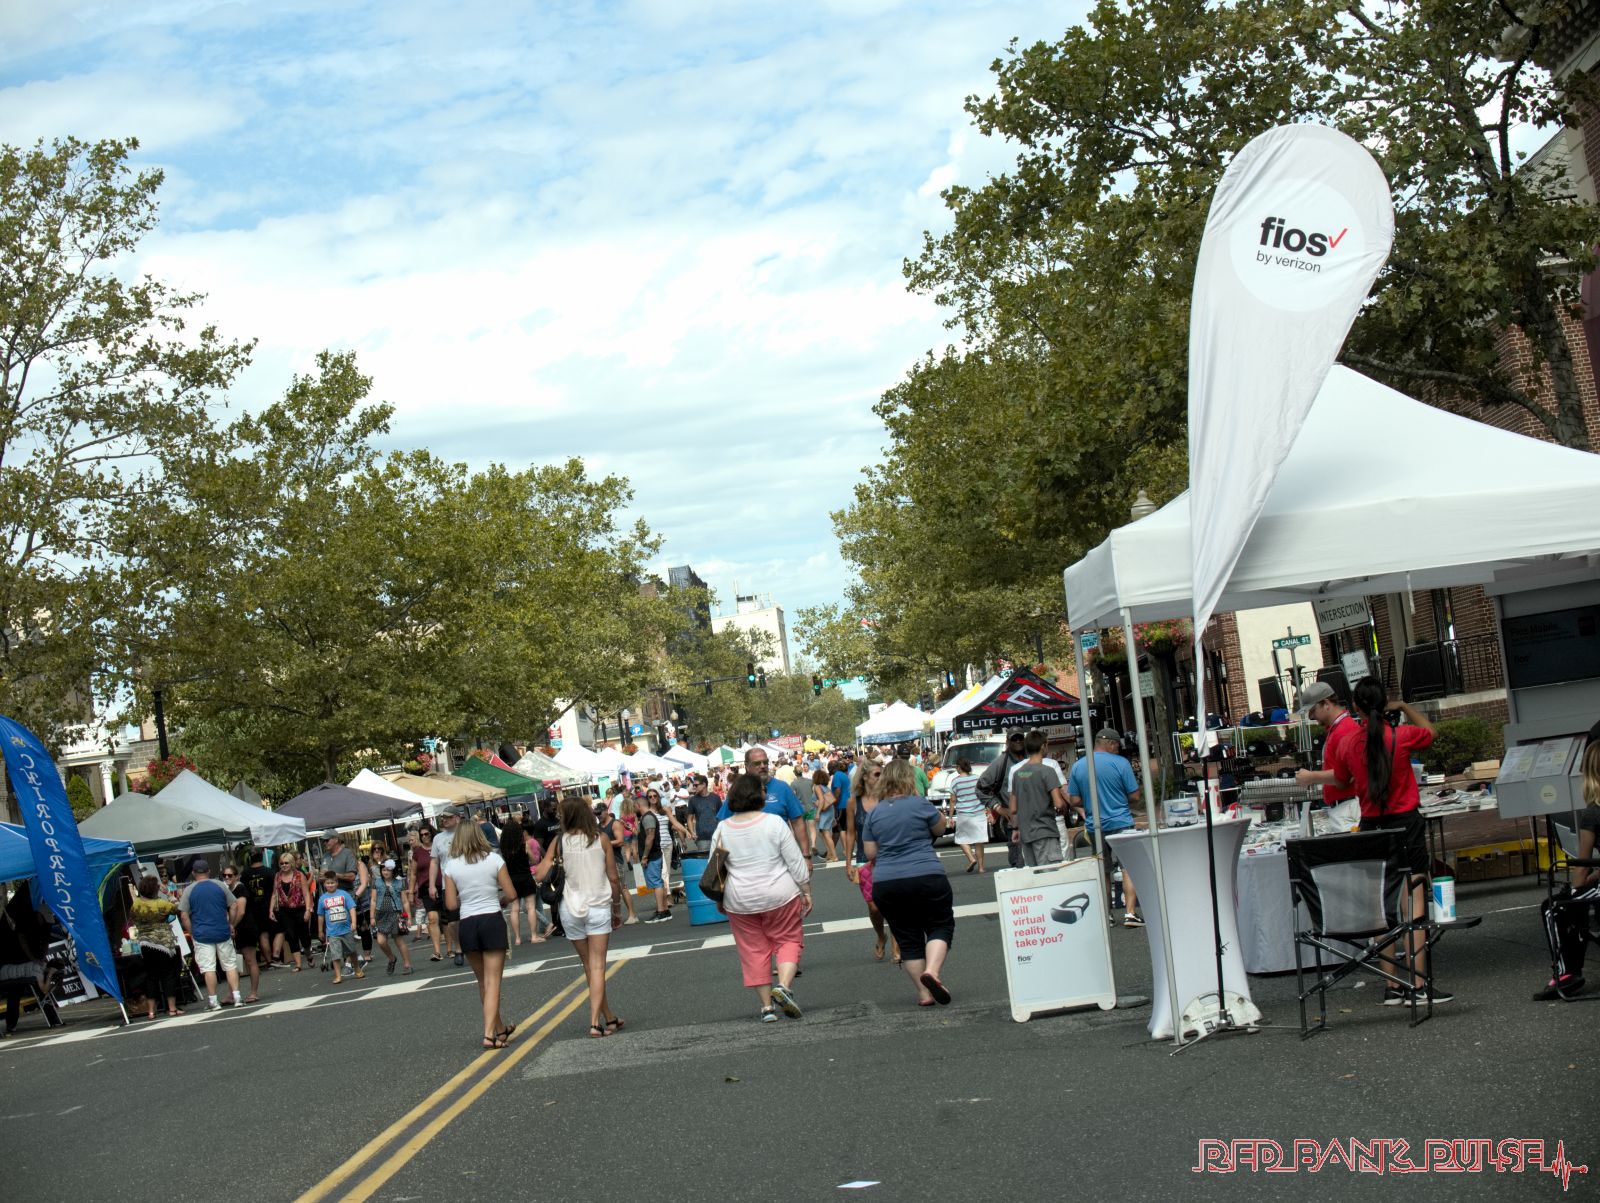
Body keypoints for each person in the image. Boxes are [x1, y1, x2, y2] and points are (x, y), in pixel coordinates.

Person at [1322, 677, 1451, 1005]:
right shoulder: (1402, 736)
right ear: (1384, 704)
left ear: (1355, 708)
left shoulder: (1349, 743)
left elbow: (1340, 778)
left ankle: (1392, 985)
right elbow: (1433, 733)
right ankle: (1419, 985)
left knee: (1382, 905)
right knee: (1415, 901)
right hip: (1405, 823)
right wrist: (1405, 706)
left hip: (1371, 826)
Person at [714, 773, 812, 1022]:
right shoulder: (774, 823)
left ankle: (767, 1007)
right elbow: (794, 861)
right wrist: (806, 889)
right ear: (759, 795)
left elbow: (715, 869)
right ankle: (785, 986)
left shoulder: (723, 828)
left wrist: (720, 898)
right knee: (788, 940)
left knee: (753, 951)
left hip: (740, 900)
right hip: (780, 893)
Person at [862, 758, 954, 1006]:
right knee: (939, 925)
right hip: (926, 874)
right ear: (908, 779)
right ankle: (932, 972)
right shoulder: (920, 804)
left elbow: (870, 853)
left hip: (888, 882)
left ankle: (924, 994)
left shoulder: (874, 813)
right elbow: (940, 829)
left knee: (907, 937)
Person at [534, 797, 624, 1038]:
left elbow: (541, 873)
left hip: (570, 908)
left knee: (589, 966)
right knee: (597, 966)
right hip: (597, 905)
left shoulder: (559, 841)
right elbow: (613, 878)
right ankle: (595, 1022)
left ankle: (609, 1017)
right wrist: (617, 909)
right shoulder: (601, 839)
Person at [1535, 722, 1600, 999]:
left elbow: (1582, 866)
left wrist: (1577, 888)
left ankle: (1568, 972)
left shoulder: (1592, 814)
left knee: (1556, 906)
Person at [442, 819, 516, 1049]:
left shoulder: (451, 867)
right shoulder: (493, 859)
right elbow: (512, 893)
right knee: (494, 981)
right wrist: (500, 900)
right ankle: (489, 1034)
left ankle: (499, 1028)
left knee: (483, 982)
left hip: (468, 923)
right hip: (491, 917)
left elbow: (451, 904)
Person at [1067, 729, 1143, 926]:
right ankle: (1130, 913)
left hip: (1096, 826)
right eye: (1117, 745)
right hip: (1122, 823)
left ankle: (1107, 915)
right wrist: (1118, 798)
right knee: (1129, 868)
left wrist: (1092, 801)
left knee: (1103, 870)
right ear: (1109, 743)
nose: (1118, 749)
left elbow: (1073, 799)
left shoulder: (1078, 766)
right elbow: (1135, 796)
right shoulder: (1121, 764)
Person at [844, 759, 898, 962]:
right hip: (864, 860)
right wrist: (848, 862)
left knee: (893, 903)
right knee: (874, 907)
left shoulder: (889, 799)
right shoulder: (853, 802)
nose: (881, 777)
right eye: (877, 774)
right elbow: (850, 833)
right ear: (865, 777)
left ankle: (896, 943)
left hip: (889, 857)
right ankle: (881, 935)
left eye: (882, 773)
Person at [177, 859, 245, 1011]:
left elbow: (184, 916)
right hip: (222, 930)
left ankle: (213, 1001)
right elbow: (233, 905)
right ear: (208, 871)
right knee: (230, 965)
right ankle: (237, 997)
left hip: (202, 934)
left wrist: (192, 931)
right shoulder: (220, 885)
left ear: (193, 873)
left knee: (208, 968)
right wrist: (231, 924)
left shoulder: (189, 890)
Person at [1293, 681, 1363, 810]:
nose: (1311, 716)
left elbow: (1350, 774)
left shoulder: (1344, 729)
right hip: (1345, 805)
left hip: (1348, 806)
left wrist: (1312, 777)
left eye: (1313, 710)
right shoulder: (1338, 728)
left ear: (1326, 704)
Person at [720, 748, 806, 847]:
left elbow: (798, 822)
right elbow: (722, 823)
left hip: (780, 856)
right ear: (747, 766)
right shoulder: (737, 790)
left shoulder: (783, 788)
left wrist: (806, 855)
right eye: (757, 763)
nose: (763, 766)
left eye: (765, 762)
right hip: (747, 857)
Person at [130, 875, 183, 1019]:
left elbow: (133, 918)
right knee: (168, 975)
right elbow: (179, 907)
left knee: (151, 976)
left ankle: (151, 1011)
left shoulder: (136, 904)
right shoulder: (161, 904)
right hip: (163, 943)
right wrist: (169, 894)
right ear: (155, 889)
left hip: (145, 943)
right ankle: (172, 1008)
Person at [977, 731, 1028, 867]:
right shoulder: (1001, 763)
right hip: (1014, 823)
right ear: (1007, 742)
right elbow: (981, 787)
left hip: (1035, 821)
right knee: (1018, 865)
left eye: (1020, 738)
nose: (1018, 741)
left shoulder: (1032, 757)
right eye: (1014, 739)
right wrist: (998, 808)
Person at [322, 836, 369, 974]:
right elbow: (323, 875)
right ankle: (357, 958)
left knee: (347, 931)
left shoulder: (351, 857)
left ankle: (350, 963)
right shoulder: (326, 857)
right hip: (331, 899)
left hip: (348, 896)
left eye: (327, 840)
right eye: (324, 841)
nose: (325, 843)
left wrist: (355, 896)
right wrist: (321, 876)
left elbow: (358, 879)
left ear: (335, 840)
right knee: (337, 931)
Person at [430, 809, 466, 965]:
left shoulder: (465, 833)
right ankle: (459, 948)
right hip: (448, 884)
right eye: (442, 818)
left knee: (471, 915)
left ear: (456, 818)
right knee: (452, 921)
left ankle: (474, 944)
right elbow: (434, 862)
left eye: (447, 817)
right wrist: (432, 885)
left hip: (467, 880)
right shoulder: (438, 838)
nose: (443, 820)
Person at [222, 866, 262, 1004]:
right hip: (237, 928)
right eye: (225, 875)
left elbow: (241, 911)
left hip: (246, 927)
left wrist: (232, 925)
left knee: (250, 960)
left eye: (230, 875)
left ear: (237, 876)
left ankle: (253, 992)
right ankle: (232, 993)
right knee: (234, 962)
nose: (227, 878)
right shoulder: (228, 890)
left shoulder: (240, 889)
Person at [316, 870, 362, 984]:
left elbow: (351, 908)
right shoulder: (322, 899)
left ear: (337, 883)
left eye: (332, 883)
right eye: (328, 883)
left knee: (352, 951)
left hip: (346, 929)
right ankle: (338, 975)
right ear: (324, 884)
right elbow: (320, 915)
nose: (330, 885)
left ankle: (357, 968)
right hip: (332, 932)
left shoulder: (344, 894)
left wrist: (354, 923)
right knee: (335, 955)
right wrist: (320, 930)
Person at [370, 859, 415, 975]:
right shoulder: (377, 882)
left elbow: (404, 901)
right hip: (381, 914)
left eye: (388, 870)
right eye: (383, 870)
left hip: (396, 914)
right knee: (380, 941)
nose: (385, 872)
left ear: (393, 871)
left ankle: (407, 964)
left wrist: (409, 917)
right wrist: (372, 917)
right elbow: (373, 900)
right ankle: (391, 958)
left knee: (399, 940)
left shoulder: (399, 882)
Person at [269, 852, 313, 971]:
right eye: (281, 863)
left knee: (304, 936)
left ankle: (309, 955)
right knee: (291, 936)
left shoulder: (299, 875)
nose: (284, 865)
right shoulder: (277, 876)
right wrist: (270, 910)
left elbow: (306, 893)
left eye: (286, 863)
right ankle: (298, 964)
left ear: (291, 863)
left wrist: (308, 910)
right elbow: (274, 894)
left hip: (300, 908)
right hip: (285, 910)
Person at [500, 822, 542, 944]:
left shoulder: (504, 849)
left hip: (511, 879)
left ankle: (517, 938)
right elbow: (534, 860)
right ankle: (534, 936)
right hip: (526, 877)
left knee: (514, 909)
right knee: (531, 908)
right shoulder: (524, 846)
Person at [604, 799, 641, 926]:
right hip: (631, 832)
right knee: (634, 849)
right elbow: (636, 825)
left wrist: (604, 843)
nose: (598, 815)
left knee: (622, 887)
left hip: (617, 854)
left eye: (600, 812)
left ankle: (632, 914)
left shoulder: (618, 820)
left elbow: (619, 841)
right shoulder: (632, 815)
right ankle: (634, 862)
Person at [950, 757, 988, 873]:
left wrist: (950, 817)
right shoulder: (977, 779)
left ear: (959, 767)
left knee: (961, 839)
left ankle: (971, 858)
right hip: (979, 813)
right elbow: (983, 795)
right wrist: (989, 810)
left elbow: (952, 801)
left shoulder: (955, 781)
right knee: (979, 841)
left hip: (964, 814)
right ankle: (981, 868)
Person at [240, 849, 276, 966]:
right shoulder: (270, 872)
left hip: (253, 908)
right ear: (262, 858)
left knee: (263, 934)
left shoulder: (245, 874)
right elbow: (275, 891)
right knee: (276, 931)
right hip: (269, 905)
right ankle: (274, 958)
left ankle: (268, 960)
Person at [409, 827, 436, 951]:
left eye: (427, 834)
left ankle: (450, 947)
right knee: (431, 917)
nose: (424, 836)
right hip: (425, 887)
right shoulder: (416, 853)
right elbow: (413, 873)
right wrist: (410, 892)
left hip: (441, 885)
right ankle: (437, 950)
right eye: (422, 835)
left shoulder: (437, 846)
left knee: (446, 921)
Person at [686, 775, 721, 856]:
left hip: (717, 837)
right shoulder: (692, 800)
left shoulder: (715, 798)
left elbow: (721, 817)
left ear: (704, 784)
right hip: (701, 838)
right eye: (693, 785)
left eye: (696, 785)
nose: (694, 787)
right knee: (704, 863)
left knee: (719, 863)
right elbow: (689, 819)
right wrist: (692, 832)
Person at [792, 764, 820, 859]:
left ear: (795, 773)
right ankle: (813, 845)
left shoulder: (793, 783)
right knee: (812, 828)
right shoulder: (810, 781)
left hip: (800, 809)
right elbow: (814, 792)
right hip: (811, 807)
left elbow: (793, 796)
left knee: (803, 830)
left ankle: (806, 849)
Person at [812, 768, 840, 862]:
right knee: (823, 832)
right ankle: (829, 854)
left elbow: (821, 800)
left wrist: (818, 813)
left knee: (826, 833)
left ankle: (834, 855)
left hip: (823, 812)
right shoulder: (825, 787)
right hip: (829, 810)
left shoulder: (817, 787)